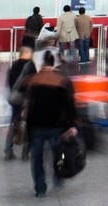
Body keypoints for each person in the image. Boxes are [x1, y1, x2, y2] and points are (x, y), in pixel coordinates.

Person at [23, 52, 78, 197]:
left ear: (42, 64)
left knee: (37, 159)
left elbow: (28, 106)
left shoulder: (33, 80)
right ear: (53, 64)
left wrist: (26, 129)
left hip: (36, 127)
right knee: (58, 154)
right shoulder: (62, 80)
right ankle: (58, 178)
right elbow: (69, 104)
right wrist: (72, 125)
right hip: (56, 126)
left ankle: (40, 188)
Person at [5, 45, 36, 160]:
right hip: (27, 99)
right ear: (27, 54)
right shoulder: (31, 65)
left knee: (14, 123)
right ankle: (26, 152)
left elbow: (10, 82)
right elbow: (33, 82)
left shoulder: (14, 65)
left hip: (15, 98)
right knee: (28, 124)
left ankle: (8, 149)